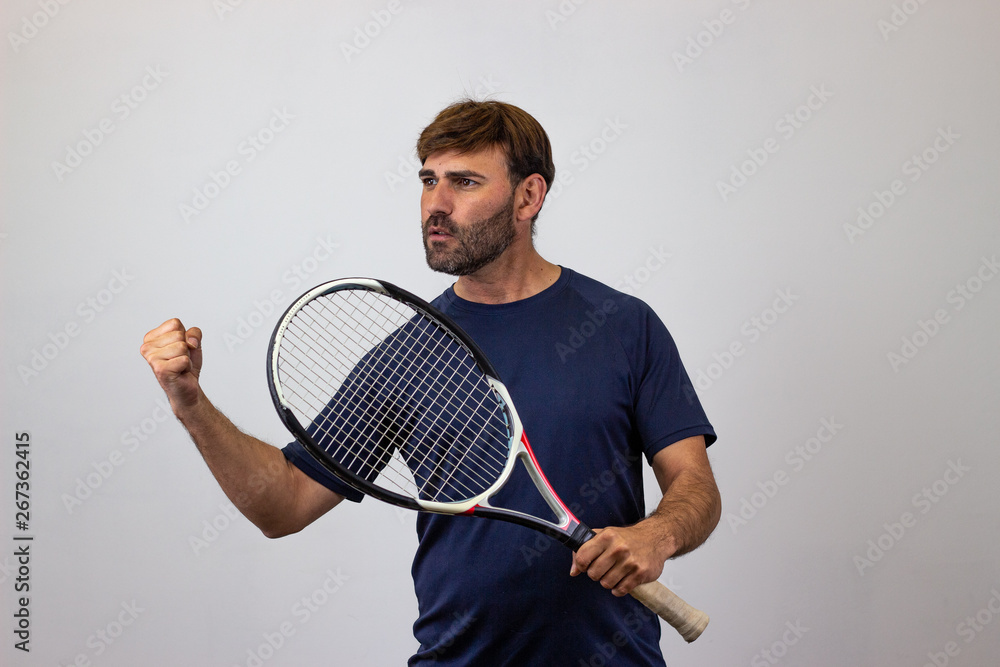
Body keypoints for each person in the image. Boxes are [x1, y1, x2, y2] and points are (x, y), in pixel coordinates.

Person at [141, 100, 721, 665]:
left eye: (464, 182)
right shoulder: (408, 354)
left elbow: (696, 487)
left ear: (529, 196)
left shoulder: (624, 326)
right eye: (427, 180)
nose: (435, 205)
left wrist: (657, 536)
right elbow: (283, 505)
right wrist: (191, 404)